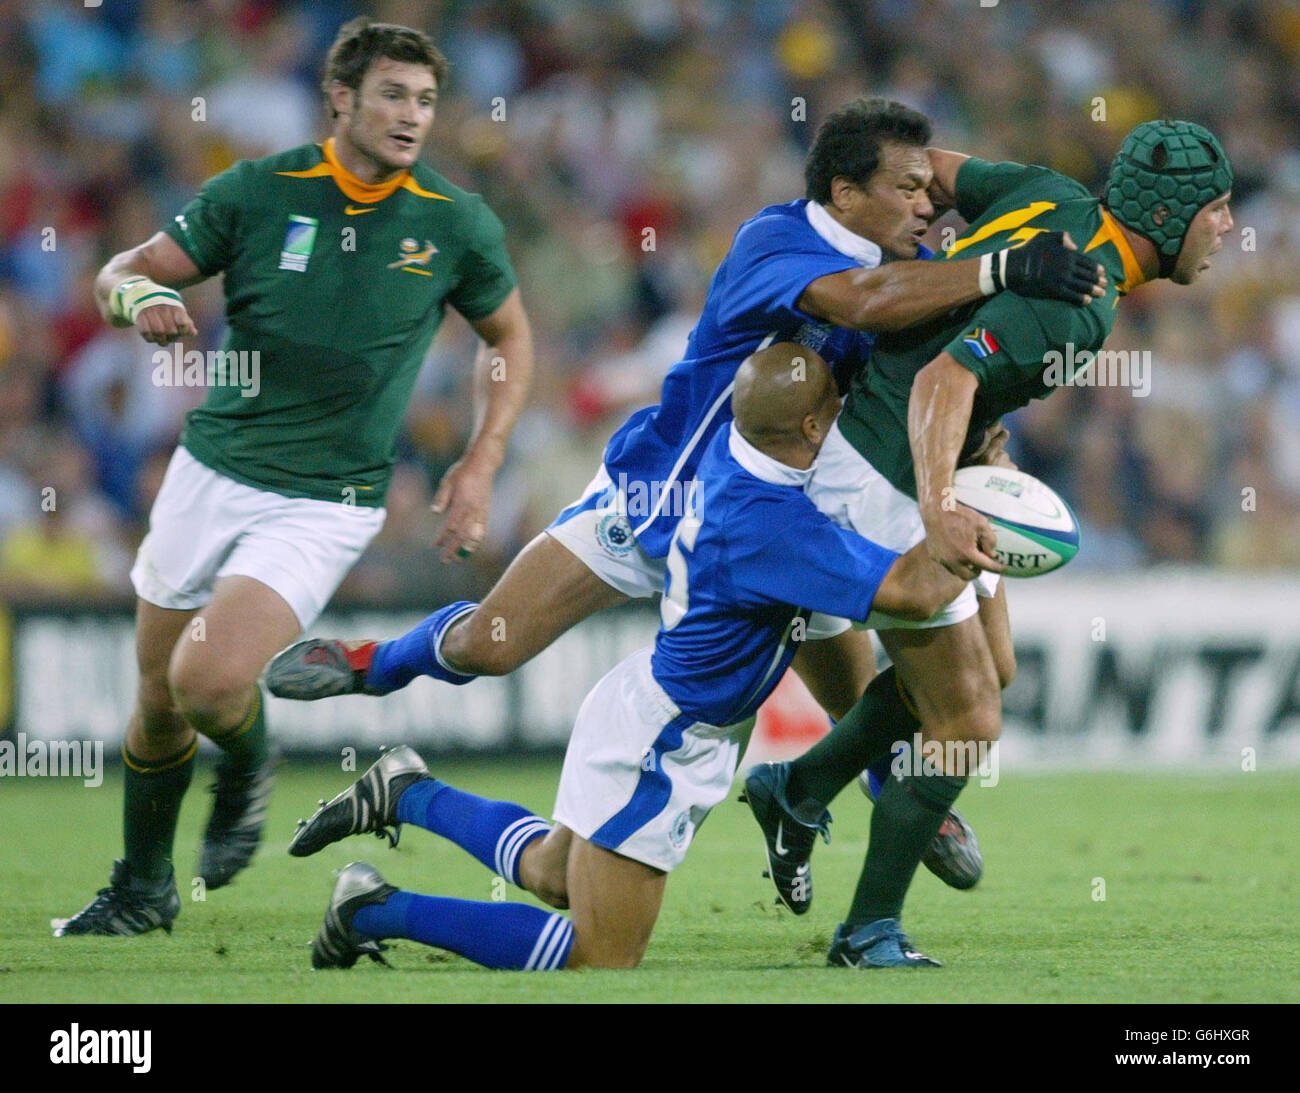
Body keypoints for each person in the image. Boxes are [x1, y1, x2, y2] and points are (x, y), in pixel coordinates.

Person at [267, 98, 1104, 889]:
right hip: (654, 497)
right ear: (846, 193)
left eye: (932, 188)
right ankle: (370, 664)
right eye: (908, 188)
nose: (929, 206)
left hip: (763, 527)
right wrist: (997, 268)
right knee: (492, 642)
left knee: (856, 693)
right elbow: (860, 301)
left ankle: (854, 793)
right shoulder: (775, 241)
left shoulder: (919, 273)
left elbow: (937, 374)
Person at [55, 18, 535, 937]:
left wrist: (483, 458)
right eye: (394, 95)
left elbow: (510, 337)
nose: (412, 116)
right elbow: (124, 272)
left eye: (427, 100)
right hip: (210, 468)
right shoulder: (260, 190)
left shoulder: (453, 221)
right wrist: (147, 296)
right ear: (342, 98)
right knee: (157, 702)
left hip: (327, 497)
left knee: (206, 680)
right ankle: (144, 887)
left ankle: (249, 758)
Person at [294, 342, 967, 971]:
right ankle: (373, 909)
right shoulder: (773, 527)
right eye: (837, 410)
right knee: (602, 951)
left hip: (661, 713)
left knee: (556, 874)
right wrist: (977, 518)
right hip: (663, 741)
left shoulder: (741, 462)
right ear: (815, 429)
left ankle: (410, 794)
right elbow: (912, 590)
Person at [746, 119, 1234, 964]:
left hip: (910, 457)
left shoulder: (1054, 193)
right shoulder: (1080, 304)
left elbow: (930, 169)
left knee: (992, 669)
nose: (1229, 229)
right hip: (886, 475)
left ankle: (799, 785)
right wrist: (938, 504)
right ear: (1173, 213)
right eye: (1220, 210)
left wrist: (930, 248)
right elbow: (948, 376)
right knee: (969, 714)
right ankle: (869, 931)